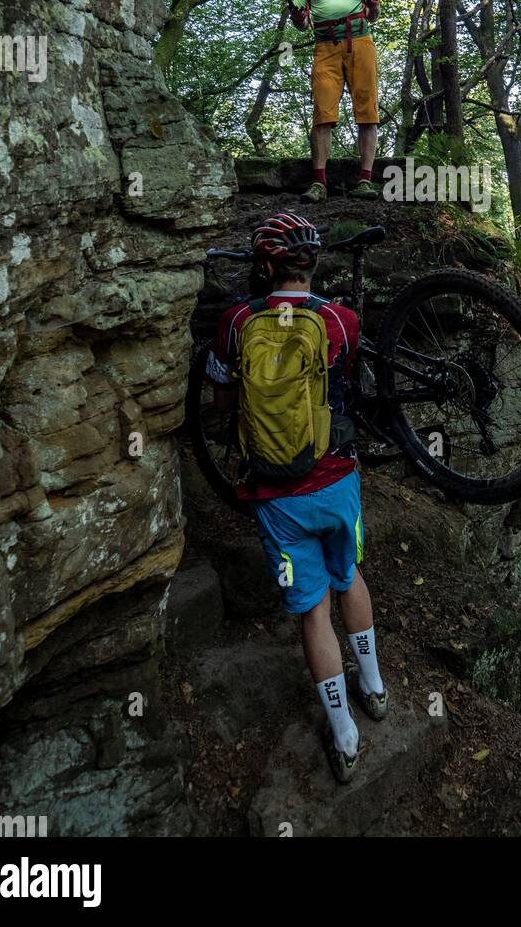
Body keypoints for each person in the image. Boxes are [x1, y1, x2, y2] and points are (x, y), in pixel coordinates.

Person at [206, 212, 388, 783]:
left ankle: (344, 735)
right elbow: (339, 390)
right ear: (314, 263)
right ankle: (375, 688)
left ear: (264, 265)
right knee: (349, 576)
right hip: (337, 485)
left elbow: (220, 405)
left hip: (276, 497)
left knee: (313, 612)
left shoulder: (234, 321)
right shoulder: (341, 322)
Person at [291, 0, 382, 203]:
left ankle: (365, 180)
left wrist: (375, 5)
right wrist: (296, 16)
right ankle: (319, 183)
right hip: (325, 47)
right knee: (323, 113)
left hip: (360, 42)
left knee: (367, 112)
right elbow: (303, 25)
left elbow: (373, 15)